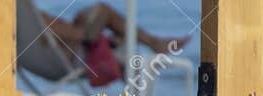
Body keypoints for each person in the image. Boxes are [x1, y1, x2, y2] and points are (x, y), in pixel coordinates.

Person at [41, 2, 187, 56]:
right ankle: (154, 43)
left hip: (63, 46)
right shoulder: (28, 15)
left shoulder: (22, 14)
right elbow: (67, 33)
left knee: (105, 13)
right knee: (105, 11)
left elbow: (54, 27)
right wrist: (83, 31)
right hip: (71, 50)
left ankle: (152, 43)